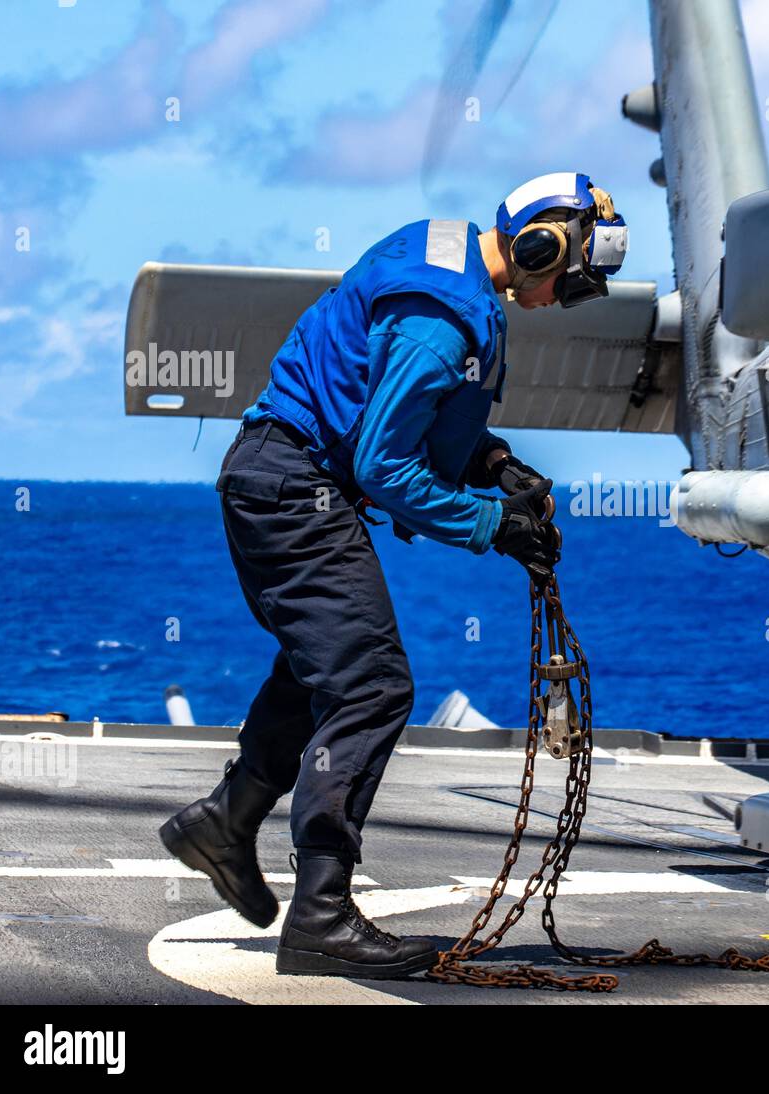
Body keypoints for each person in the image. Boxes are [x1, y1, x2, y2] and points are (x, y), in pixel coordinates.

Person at [158, 172, 628, 979]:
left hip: (278, 480)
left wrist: (493, 463)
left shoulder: (445, 255)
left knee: (324, 672)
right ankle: (321, 916)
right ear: (540, 242)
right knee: (371, 686)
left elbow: (396, 408)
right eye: (568, 276)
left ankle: (226, 823)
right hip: (295, 488)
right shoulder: (444, 322)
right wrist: (495, 526)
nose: (560, 297)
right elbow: (381, 463)